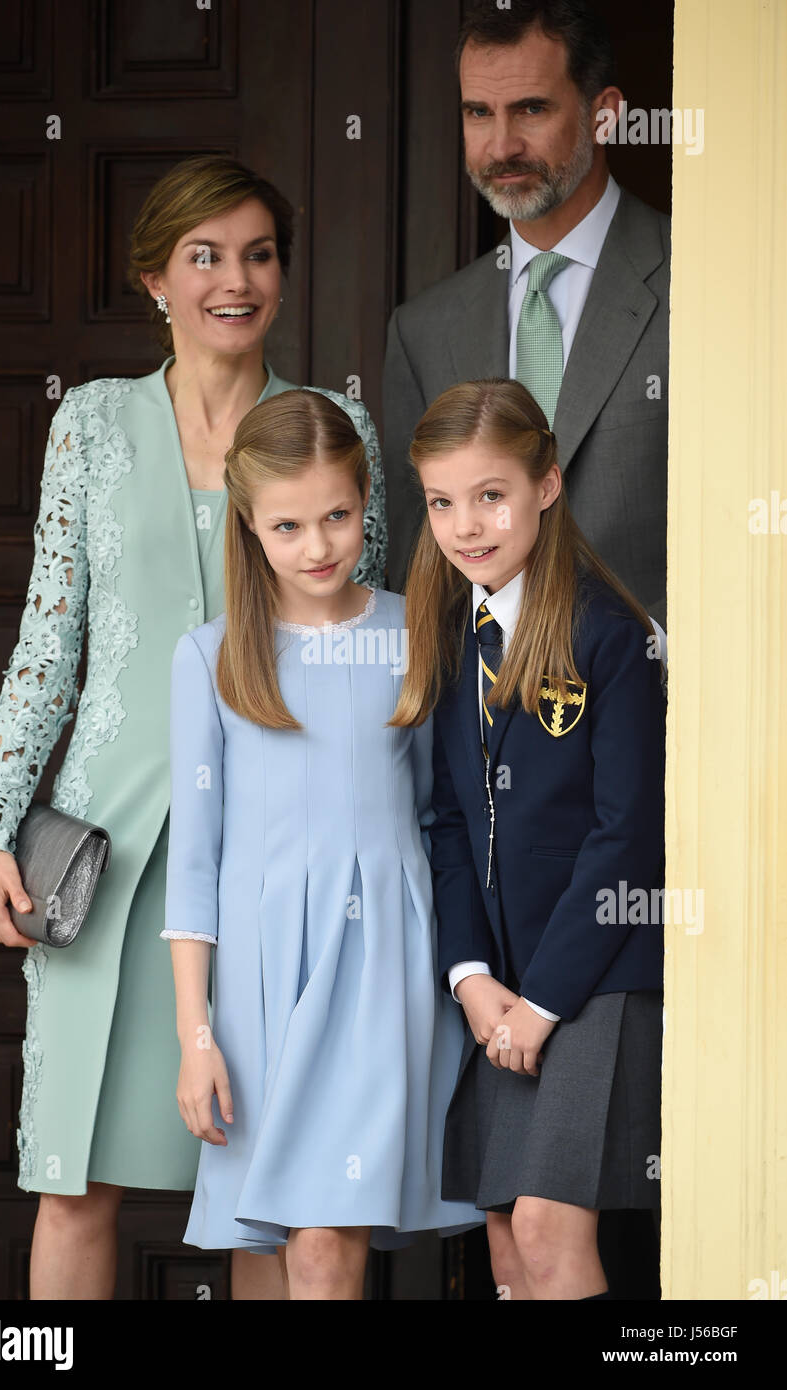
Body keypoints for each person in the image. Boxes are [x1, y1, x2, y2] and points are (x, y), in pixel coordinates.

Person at [0, 154, 386, 1301]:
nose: (232, 280)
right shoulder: (92, 427)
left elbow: (355, 644)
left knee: (265, 1195)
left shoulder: (332, 428)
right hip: (106, 851)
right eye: (204, 255)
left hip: (271, 863)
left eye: (256, 254)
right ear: (155, 277)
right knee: (72, 1178)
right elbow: (48, 644)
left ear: (283, 276)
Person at [162, 388, 481, 1298]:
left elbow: (439, 817)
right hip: (265, 987)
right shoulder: (211, 659)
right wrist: (196, 1035)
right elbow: (195, 865)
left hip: (383, 966)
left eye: (338, 516)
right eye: (288, 526)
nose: (318, 547)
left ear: (368, 496)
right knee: (299, 1246)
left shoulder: (416, 632)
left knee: (327, 1242)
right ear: (249, 525)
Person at [389, 377, 665, 1299]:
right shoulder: (445, 632)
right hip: (498, 985)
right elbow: (450, 826)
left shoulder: (606, 634)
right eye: (441, 502)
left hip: (590, 979)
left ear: (546, 484)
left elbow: (627, 835)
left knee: (547, 1230)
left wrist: (539, 1002)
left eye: (491, 495)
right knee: (505, 1239)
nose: (466, 525)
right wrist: (470, 981)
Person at [383, 0, 669, 631]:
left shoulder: (702, 285)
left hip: (661, 703)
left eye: (531, 109)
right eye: (478, 113)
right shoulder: (423, 328)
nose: (502, 145)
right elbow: (413, 563)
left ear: (606, 114)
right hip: (482, 711)